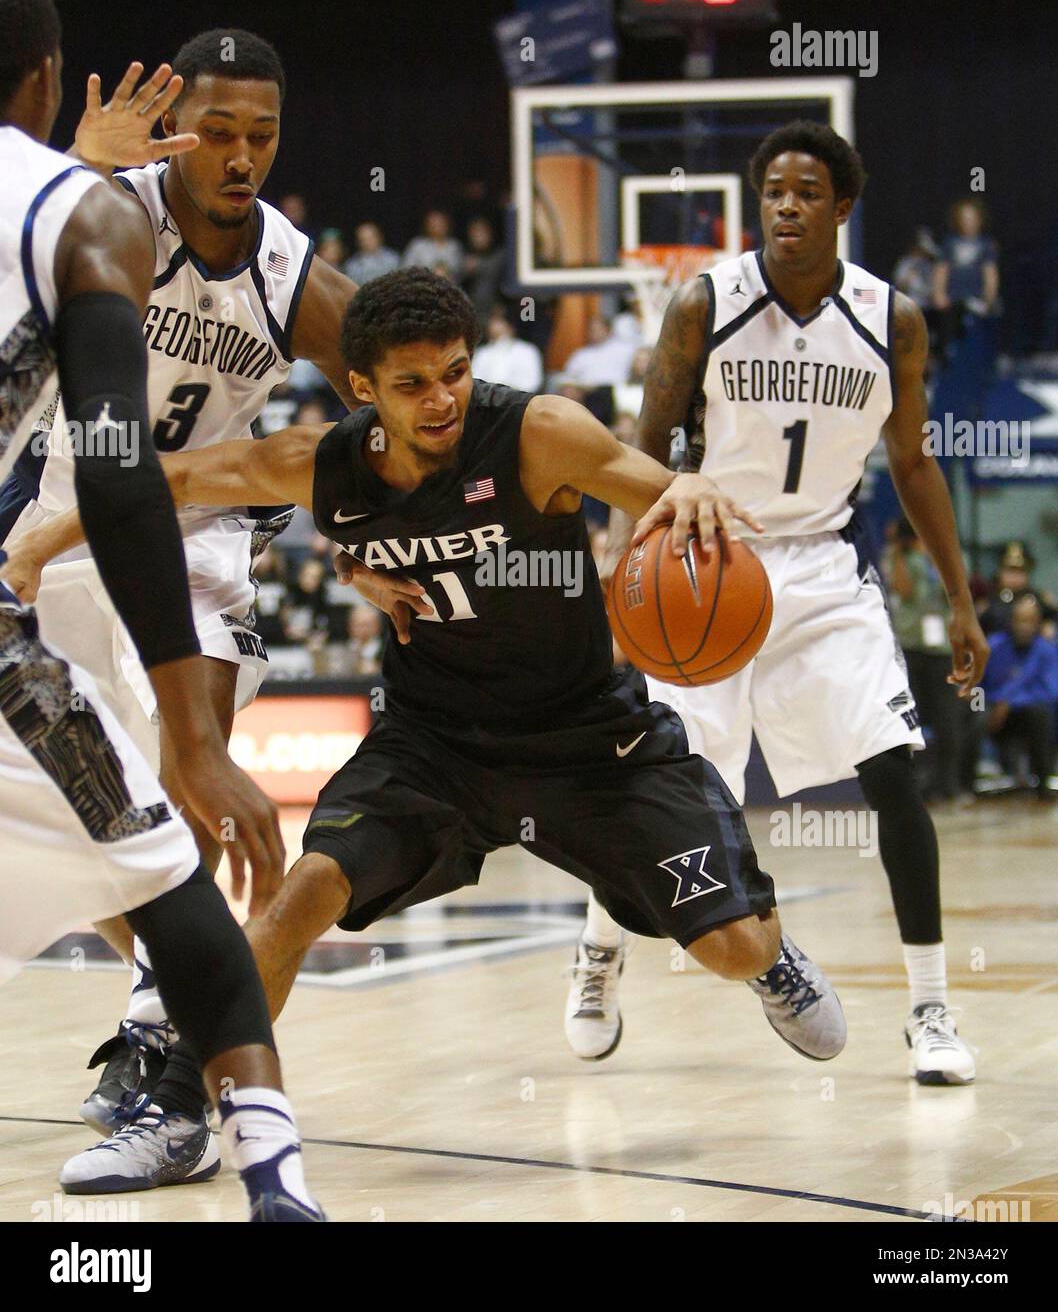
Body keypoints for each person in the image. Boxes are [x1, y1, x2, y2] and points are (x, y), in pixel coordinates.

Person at [4, 269, 846, 1189]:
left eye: (454, 372)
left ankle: (772, 954)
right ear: (361, 388)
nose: (442, 399)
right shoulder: (322, 464)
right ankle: (179, 1111)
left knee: (733, 951)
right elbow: (164, 478)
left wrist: (687, 494)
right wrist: (42, 539)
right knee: (294, 902)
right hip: (432, 745)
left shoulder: (537, 433)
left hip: (586, 741)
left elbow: (659, 490)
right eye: (412, 384)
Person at [0, 0, 320, 1219]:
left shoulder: (289, 272)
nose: (240, 156)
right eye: (219, 129)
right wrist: (69, 158)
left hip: (184, 549)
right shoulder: (93, 207)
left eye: (264, 136)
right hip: (56, 538)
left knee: (163, 831)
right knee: (137, 849)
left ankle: (175, 1086)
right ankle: (187, 1069)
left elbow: (390, 392)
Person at [577, 120, 990, 1085]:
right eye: (774, 193)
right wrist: (616, 568)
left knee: (895, 773)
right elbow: (640, 451)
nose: (788, 207)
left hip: (819, 568)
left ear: (842, 207)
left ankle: (930, 1009)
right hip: (706, 558)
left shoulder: (893, 320)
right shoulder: (703, 304)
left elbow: (915, 462)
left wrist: (961, 602)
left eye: (808, 193)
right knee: (656, 787)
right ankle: (600, 953)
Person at [883, 517, 973, 805]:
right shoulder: (898, 556)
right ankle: (917, 787)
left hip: (944, 650)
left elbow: (958, 594)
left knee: (949, 720)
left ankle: (950, 786)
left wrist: (937, 553)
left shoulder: (951, 555)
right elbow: (903, 590)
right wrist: (898, 548)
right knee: (910, 719)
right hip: (912, 647)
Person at [977, 594, 1058, 801]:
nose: (1024, 626)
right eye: (1020, 620)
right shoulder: (993, 646)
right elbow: (977, 684)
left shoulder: (1047, 651)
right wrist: (980, 702)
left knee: (1040, 714)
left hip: (1024, 715)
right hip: (991, 710)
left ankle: (1042, 785)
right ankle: (964, 785)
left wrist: (1008, 702)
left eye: (1029, 621)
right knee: (973, 714)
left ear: (1038, 623)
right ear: (1011, 621)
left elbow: (1049, 692)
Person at [471, 305, 542, 394]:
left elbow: (532, 383)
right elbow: (474, 380)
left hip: (519, 401)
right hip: (486, 402)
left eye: (498, 320)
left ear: (510, 324)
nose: (492, 324)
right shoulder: (482, 352)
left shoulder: (527, 350)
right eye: (492, 320)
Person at [402, 209, 464, 278]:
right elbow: (406, 269)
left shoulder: (455, 245)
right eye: (433, 222)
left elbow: (461, 270)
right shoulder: (417, 245)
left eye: (440, 222)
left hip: (450, 285)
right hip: (422, 285)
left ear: (447, 224)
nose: (437, 225)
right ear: (427, 224)